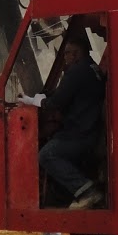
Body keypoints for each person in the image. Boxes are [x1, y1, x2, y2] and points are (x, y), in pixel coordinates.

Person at [27, 24, 106, 210]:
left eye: (67, 53)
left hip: (79, 133)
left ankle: (86, 191)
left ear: (77, 54)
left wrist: (35, 101)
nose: (65, 58)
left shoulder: (77, 72)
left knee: (47, 155)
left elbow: (57, 102)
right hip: (91, 130)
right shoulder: (93, 69)